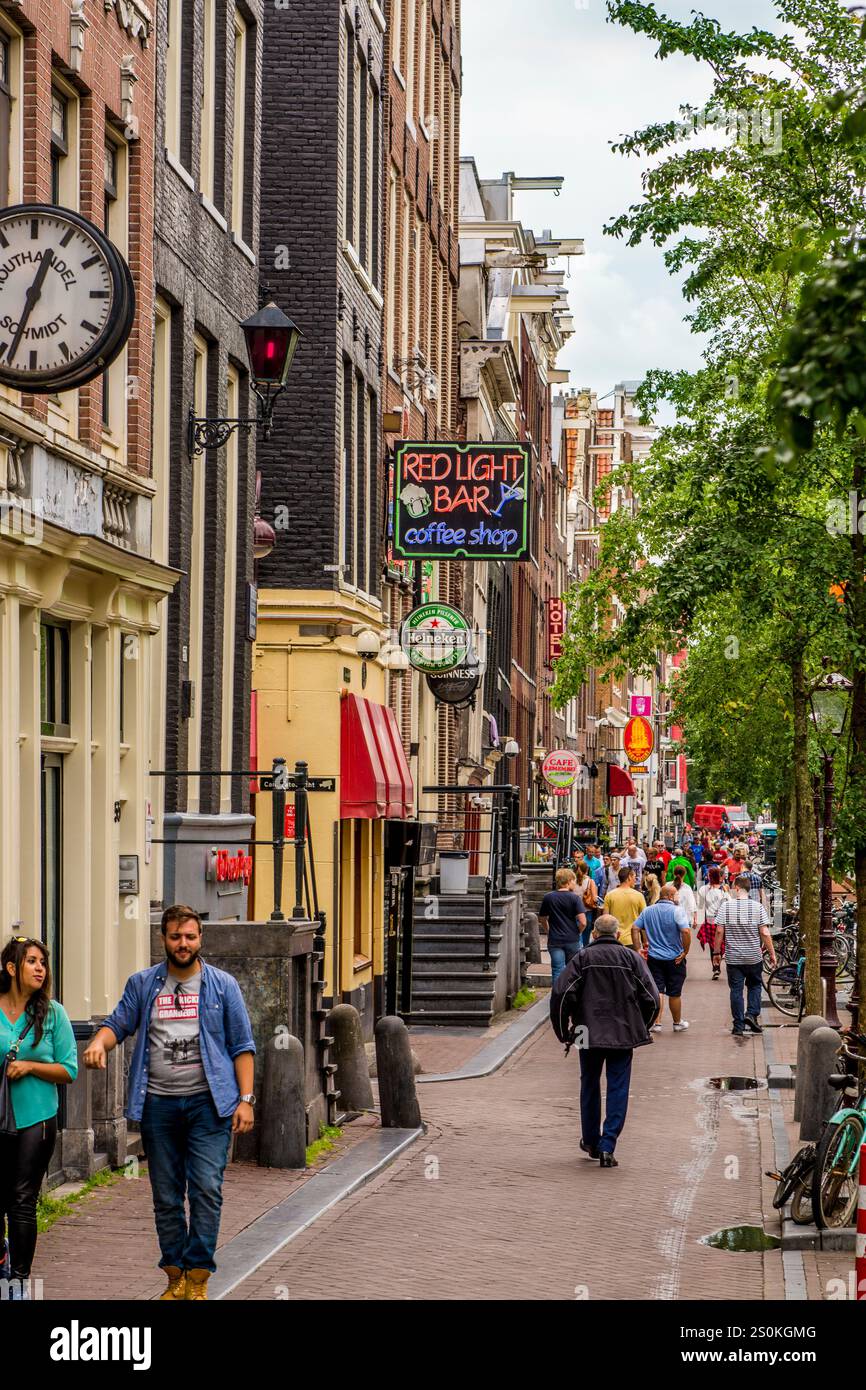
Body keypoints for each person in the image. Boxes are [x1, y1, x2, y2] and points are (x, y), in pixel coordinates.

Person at [84, 904, 257, 1301]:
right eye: (176, 936)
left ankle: (198, 1276)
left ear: (201, 939)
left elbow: (242, 1046)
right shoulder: (143, 984)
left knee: (206, 1188)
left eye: (190, 937)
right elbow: (118, 1023)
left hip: (209, 1105)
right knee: (165, 1195)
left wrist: (245, 1100)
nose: (183, 944)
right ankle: (174, 1274)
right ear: (162, 938)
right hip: (158, 1105)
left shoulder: (223, 986)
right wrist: (97, 1042)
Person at [0, 937, 77, 1300]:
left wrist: (29, 1066)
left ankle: (17, 1283)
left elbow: (69, 1070)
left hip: (37, 1118)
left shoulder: (54, 1014)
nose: (40, 968)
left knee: (21, 1199)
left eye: (43, 962)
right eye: (31, 961)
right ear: (12, 968)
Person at [550, 914, 659, 1168]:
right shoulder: (631, 959)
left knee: (588, 1083)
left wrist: (563, 1030)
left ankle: (590, 1140)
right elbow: (652, 998)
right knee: (618, 1086)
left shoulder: (582, 958)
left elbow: (561, 994)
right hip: (623, 1032)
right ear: (618, 934)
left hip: (586, 1031)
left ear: (595, 934)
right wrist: (642, 1026)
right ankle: (608, 1145)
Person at [714, 875, 777, 1036]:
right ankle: (751, 1014)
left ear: (736, 888)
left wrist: (716, 952)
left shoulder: (726, 907)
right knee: (755, 986)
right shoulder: (757, 907)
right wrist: (772, 953)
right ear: (749, 890)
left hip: (733, 957)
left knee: (736, 990)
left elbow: (719, 931)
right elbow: (764, 932)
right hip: (753, 956)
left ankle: (738, 1025)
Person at [632, 884, 692, 1032]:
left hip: (654, 957)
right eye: (677, 895)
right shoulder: (677, 911)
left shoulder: (648, 910)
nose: (678, 897)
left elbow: (634, 928)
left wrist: (638, 948)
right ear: (670, 896)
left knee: (657, 990)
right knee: (675, 992)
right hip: (675, 958)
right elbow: (685, 931)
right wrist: (685, 951)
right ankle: (677, 1023)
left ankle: (656, 1023)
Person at [539, 868, 588, 983]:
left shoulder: (548, 897)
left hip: (555, 939)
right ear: (569, 881)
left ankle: (558, 997)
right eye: (574, 881)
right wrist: (578, 931)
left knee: (557, 969)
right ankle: (571, 995)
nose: (575, 884)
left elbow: (542, 918)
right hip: (572, 939)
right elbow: (583, 922)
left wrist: (548, 930)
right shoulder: (575, 898)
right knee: (573, 969)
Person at [604, 865, 648, 949]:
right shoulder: (639, 896)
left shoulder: (609, 895)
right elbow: (644, 921)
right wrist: (645, 941)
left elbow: (605, 920)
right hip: (633, 941)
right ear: (629, 878)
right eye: (634, 876)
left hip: (614, 940)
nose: (636, 879)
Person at [697, 866, 727, 979]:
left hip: (710, 921)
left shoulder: (703, 889)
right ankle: (718, 963)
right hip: (723, 920)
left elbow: (700, 906)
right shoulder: (724, 889)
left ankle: (716, 968)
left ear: (709, 877)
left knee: (713, 945)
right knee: (723, 943)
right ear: (719, 877)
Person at [572, 860, 599, 949]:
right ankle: (585, 951)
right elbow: (595, 898)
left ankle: (577, 950)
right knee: (586, 934)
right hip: (587, 910)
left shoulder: (571, 881)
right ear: (586, 870)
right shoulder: (590, 881)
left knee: (576, 932)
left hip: (574, 911)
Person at [672, 864, 698, 935]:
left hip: (670, 919)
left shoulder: (668, 886)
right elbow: (692, 905)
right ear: (684, 875)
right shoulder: (687, 888)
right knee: (684, 944)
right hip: (685, 920)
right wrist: (695, 919)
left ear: (673, 873)